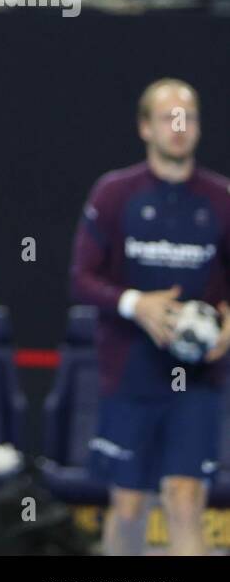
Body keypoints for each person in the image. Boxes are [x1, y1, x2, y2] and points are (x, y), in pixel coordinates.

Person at [70, 78, 230, 556]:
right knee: (129, 503)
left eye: (189, 117)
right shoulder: (115, 193)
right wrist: (135, 303)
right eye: (167, 117)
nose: (179, 128)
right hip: (130, 372)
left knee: (184, 500)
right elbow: (81, 278)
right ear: (145, 126)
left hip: (198, 376)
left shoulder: (222, 198)